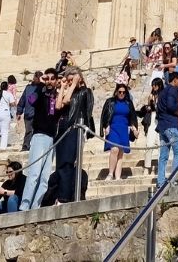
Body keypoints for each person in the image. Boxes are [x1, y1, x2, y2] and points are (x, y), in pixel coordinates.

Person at [20, 69, 60, 210]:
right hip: (39, 136)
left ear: (56, 80)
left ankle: (35, 206)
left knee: (44, 177)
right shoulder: (40, 94)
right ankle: (25, 206)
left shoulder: (57, 97)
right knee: (34, 173)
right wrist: (40, 85)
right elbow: (30, 101)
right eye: (47, 78)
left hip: (52, 138)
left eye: (52, 79)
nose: (49, 81)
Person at [54, 69, 93, 202]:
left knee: (67, 161)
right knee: (60, 163)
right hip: (63, 129)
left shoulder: (85, 92)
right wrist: (62, 87)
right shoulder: (69, 92)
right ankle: (60, 194)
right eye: (69, 80)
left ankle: (64, 197)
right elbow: (58, 106)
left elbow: (67, 101)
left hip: (74, 128)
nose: (70, 82)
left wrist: (75, 83)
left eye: (72, 80)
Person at [100, 83, 139, 180]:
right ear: (116, 92)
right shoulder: (110, 101)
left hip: (124, 129)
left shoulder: (128, 103)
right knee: (114, 149)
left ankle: (118, 176)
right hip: (113, 128)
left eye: (124, 92)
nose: (122, 94)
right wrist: (105, 126)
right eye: (120, 92)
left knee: (121, 152)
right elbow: (104, 115)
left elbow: (132, 117)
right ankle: (110, 174)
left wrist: (134, 129)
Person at [155, 70, 178, 187]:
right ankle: (174, 180)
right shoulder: (172, 90)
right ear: (175, 80)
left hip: (162, 127)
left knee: (163, 156)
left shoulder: (162, 92)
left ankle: (160, 181)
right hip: (171, 126)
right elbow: (172, 106)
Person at [137, 77, 164, 174]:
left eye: (155, 85)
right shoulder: (151, 96)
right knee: (149, 144)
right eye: (153, 85)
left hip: (160, 120)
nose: (153, 87)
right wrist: (149, 106)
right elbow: (150, 108)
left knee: (161, 145)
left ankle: (161, 167)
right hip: (152, 119)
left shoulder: (163, 95)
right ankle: (147, 166)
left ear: (159, 85)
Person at [19, 71, 45, 150]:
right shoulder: (28, 88)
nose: (35, 79)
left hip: (39, 114)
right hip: (29, 113)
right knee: (28, 131)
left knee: (38, 131)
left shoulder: (44, 87)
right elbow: (23, 99)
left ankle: (37, 146)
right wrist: (19, 111)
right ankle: (26, 146)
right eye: (35, 77)